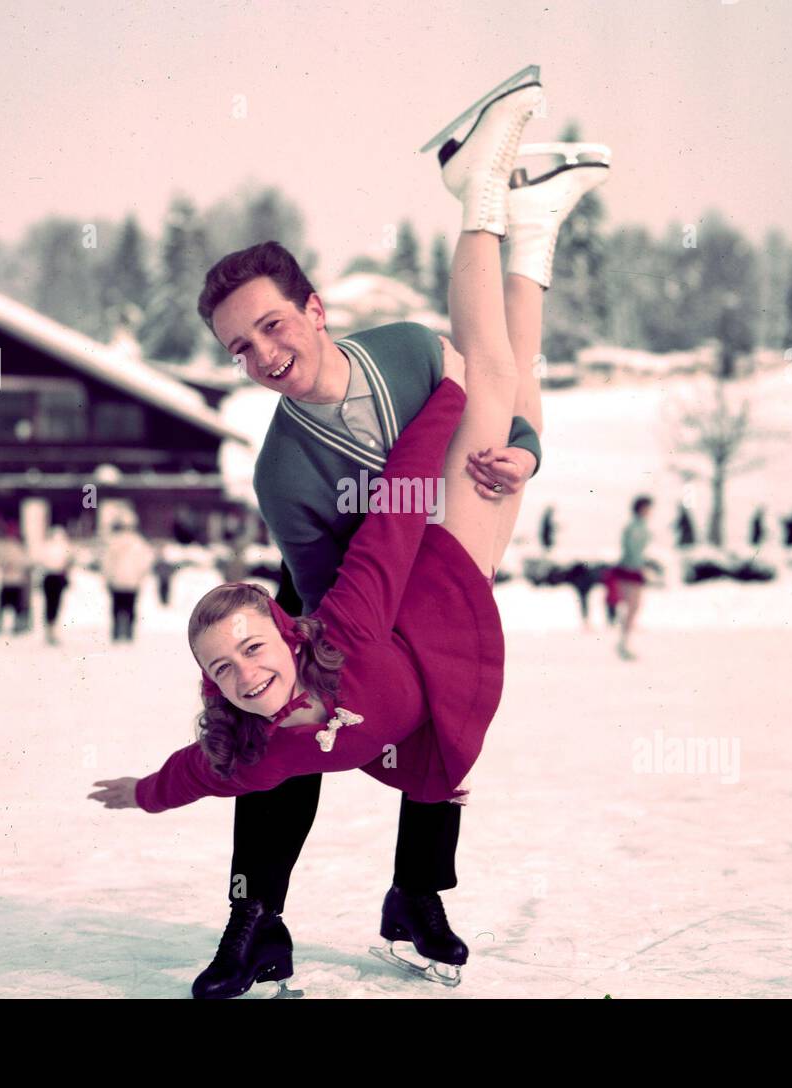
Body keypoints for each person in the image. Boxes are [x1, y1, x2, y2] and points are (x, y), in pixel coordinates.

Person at [90, 66, 608, 998]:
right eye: (240, 348)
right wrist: (341, 692)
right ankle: (256, 921)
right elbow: (342, 591)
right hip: (337, 601)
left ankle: (507, 212)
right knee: (279, 741)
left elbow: (505, 391)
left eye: (273, 326)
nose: (262, 355)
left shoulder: (408, 353)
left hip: (429, 552)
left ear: (316, 309)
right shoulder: (281, 468)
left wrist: (525, 454)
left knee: (497, 374)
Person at [604, 495, 657, 660]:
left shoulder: (641, 526)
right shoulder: (634, 527)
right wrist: (639, 566)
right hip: (629, 571)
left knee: (632, 608)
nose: (649, 511)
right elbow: (632, 551)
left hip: (633, 570)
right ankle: (623, 643)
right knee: (632, 607)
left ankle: (624, 642)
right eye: (647, 507)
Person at [102, 518, 154, 641]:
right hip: (132, 582)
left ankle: (116, 633)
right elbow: (146, 562)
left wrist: (108, 577)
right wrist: (139, 576)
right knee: (130, 608)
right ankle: (129, 633)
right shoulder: (139, 543)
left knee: (116, 608)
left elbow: (106, 563)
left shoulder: (112, 543)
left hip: (116, 582)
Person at [36, 525, 73, 645]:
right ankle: (51, 630)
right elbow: (67, 561)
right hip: (58, 577)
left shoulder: (46, 546)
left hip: (49, 578)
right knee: (55, 605)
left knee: (49, 605)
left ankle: (49, 631)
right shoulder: (64, 546)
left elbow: (41, 562)